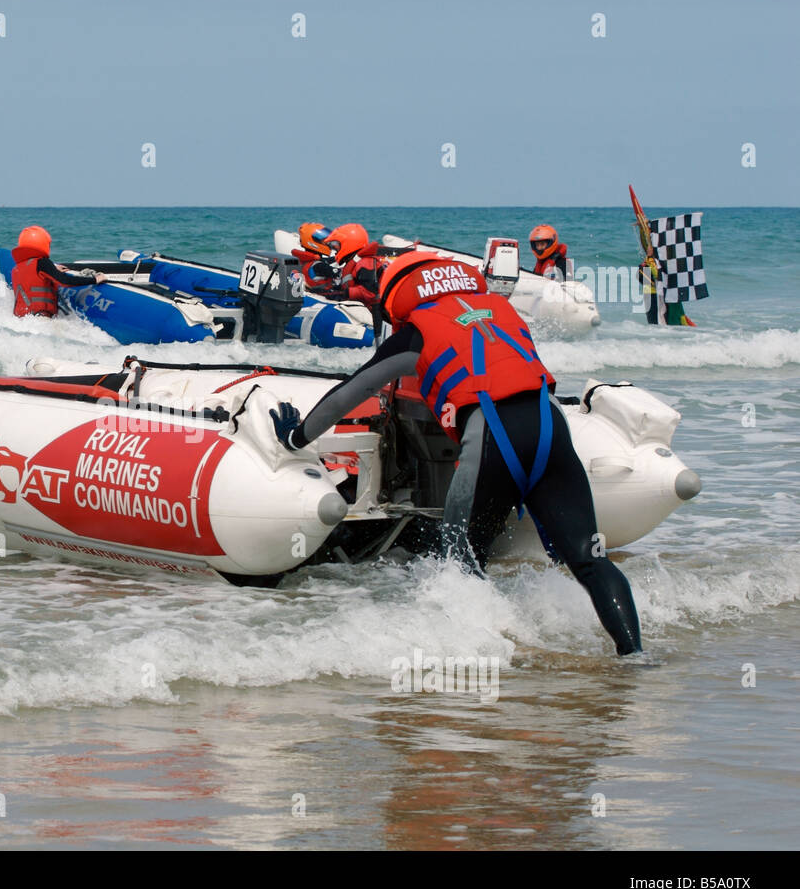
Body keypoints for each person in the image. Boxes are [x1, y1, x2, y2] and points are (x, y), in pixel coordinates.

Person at [269, 250, 644, 656]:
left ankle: (470, 678)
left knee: (460, 566)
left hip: (492, 438)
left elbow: (352, 391)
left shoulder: (416, 333)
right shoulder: (501, 310)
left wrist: (296, 436)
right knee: (590, 562)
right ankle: (636, 659)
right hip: (550, 428)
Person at [10, 225, 104, 317]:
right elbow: (65, 281)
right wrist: (94, 279)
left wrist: (53, 270)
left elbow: (32, 279)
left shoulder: (16, 268)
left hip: (22, 321)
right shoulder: (42, 263)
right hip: (41, 319)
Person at [289, 222, 337, 293]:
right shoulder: (318, 266)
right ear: (312, 242)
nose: (327, 242)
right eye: (323, 240)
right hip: (325, 294)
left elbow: (325, 260)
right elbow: (338, 272)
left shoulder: (309, 259)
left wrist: (338, 257)